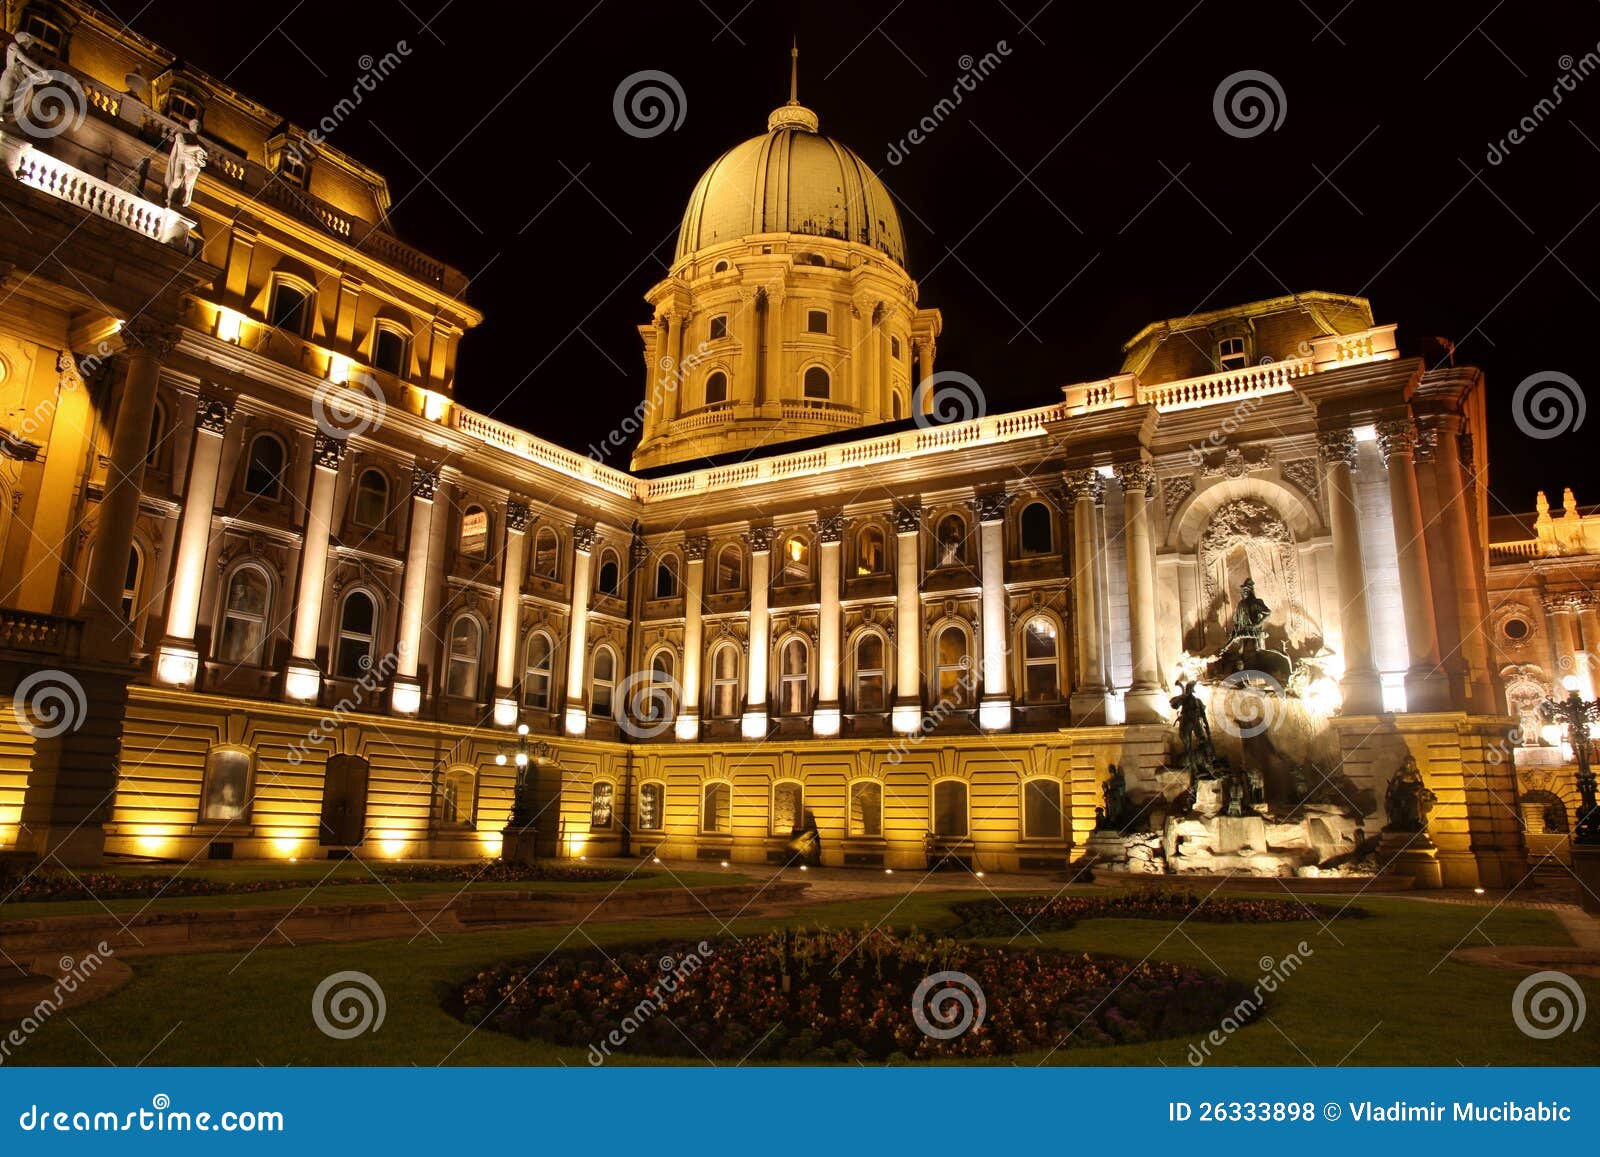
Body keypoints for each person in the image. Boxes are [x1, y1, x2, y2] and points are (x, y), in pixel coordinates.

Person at [164, 117, 208, 209]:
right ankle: (169, 199)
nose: (196, 126)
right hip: (182, 159)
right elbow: (183, 149)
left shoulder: (202, 145)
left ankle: (181, 203)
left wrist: (201, 159)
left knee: (188, 185)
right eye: (194, 124)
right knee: (178, 179)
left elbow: (203, 159)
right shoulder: (181, 135)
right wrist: (197, 147)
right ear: (190, 126)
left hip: (194, 164)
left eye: (198, 125)